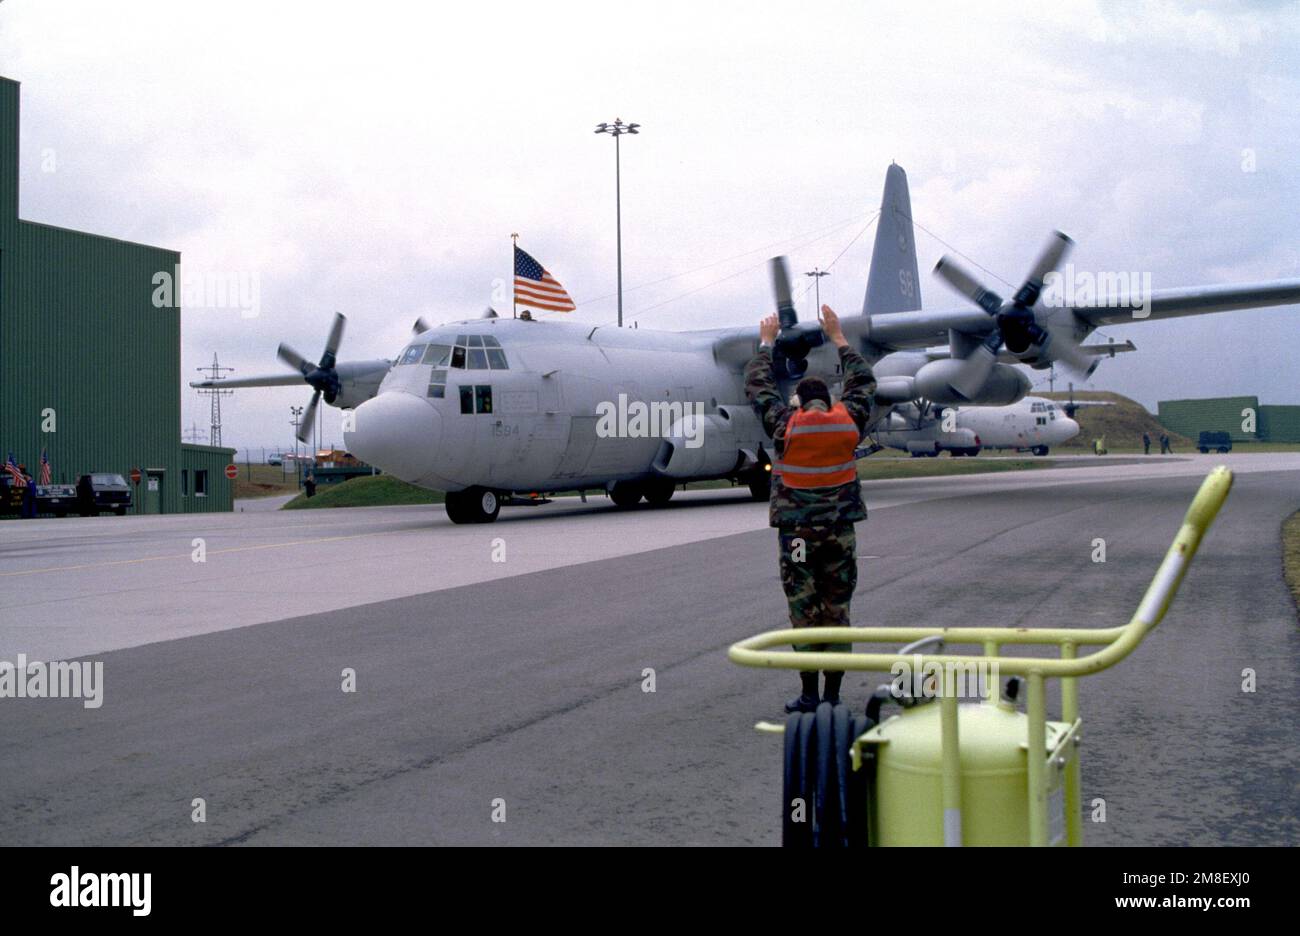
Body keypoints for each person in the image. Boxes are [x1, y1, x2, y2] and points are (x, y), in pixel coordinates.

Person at [745, 305, 876, 713]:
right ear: (830, 403)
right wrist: (838, 337)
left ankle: (808, 693)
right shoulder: (849, 421)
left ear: (800, 403)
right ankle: (834, 697)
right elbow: (864, 381)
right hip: (839, 533)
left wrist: (767, 341)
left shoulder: (785, 425)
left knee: (804, 606)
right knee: (837, 608)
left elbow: (758, 384)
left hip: (798, 537)